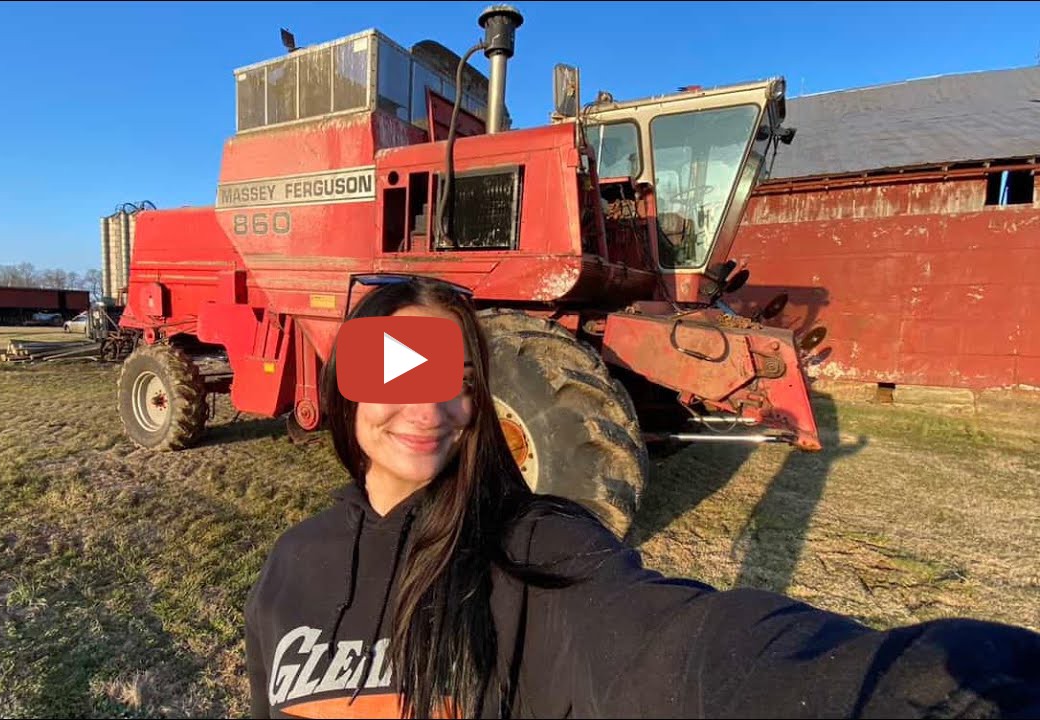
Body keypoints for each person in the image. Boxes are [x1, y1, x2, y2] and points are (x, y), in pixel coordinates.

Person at [244, 276, 1040, 719]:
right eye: (395, 374)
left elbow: (682, 646)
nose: (425, 409)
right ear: (347, 387)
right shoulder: (291, 568)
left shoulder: (536, 550)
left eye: (449, 378)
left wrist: (928, 684)